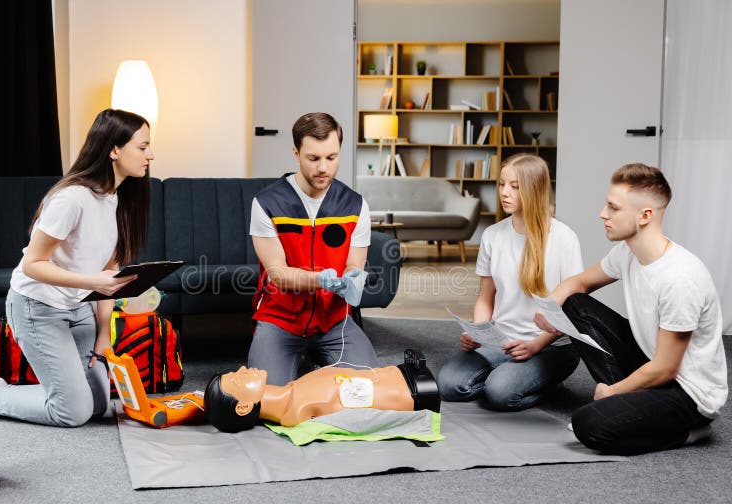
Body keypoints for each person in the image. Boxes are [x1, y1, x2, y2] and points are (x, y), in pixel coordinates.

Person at [0, 109, 154, 427]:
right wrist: (90, 281)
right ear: (113, 149)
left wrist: (103, 335)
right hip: (38, 308)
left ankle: (59, 390)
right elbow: (32, 264)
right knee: (73, 412)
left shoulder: (116, 199)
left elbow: (109, 269)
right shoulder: (72, 199)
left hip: (77, 309)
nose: (150, 155)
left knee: (98, 405)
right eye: (142, 146)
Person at [535, 163, 727, 455]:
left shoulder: (680, 279)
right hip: (652, 363)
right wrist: (551, 309)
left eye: (613, 208)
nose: (603, 214)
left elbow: (665, 368)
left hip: (687, 392)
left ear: (645, 215)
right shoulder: (627, 251)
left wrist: (611, 392)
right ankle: (625, 404)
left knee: (588, 425)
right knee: (575, 304)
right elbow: (580, 282)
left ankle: (688, 432)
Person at [437, 154, 583, 410]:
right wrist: (477, 332)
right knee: (449, 385)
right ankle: (510, 378)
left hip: (552, 346)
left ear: (534, 189)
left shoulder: (563, 238)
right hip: (502, 341)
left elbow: (570, 309)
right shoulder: (492, 236)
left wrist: (535, 345)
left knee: (499, 393)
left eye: (515, 187)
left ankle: (545, 384)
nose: (504, 192)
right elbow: (485, 296)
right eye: (502, 184)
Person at [248, 112, 378, 385]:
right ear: (296, 153)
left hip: (333, 322)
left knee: (366, 389)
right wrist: (320, 279)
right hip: (281, 320)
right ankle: (304, 362)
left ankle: (317, 361)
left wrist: (353, 278)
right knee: (269, 397)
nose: (323, 168)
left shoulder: (355, 206)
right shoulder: (267, 203)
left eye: (331, 158)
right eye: (313, 158)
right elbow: (278, 274)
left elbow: (354, 265)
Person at [204, 350, 440, 432]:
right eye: (237, 379)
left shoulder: (296, 391)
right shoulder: (302, 407)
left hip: (404, 376)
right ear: (243, 407)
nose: (243, 368)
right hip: (414, 391)